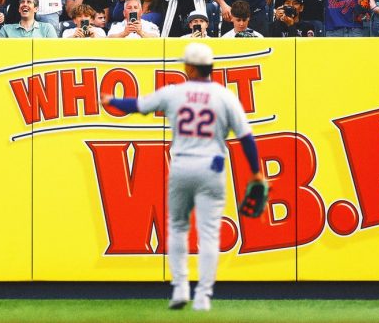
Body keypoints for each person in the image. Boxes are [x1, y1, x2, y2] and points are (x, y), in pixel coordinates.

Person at [99, 42, 263, 312]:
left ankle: (180, 288)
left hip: (183, 165)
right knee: (209, 233)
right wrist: (256, 172)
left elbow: (137, 105)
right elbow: (246, 138)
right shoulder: (224, 96)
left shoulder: (176, 92)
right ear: (210, 67)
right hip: (212, 166)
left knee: (177, 227)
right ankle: (203, 296)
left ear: (188, 67)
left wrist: (110, 100)